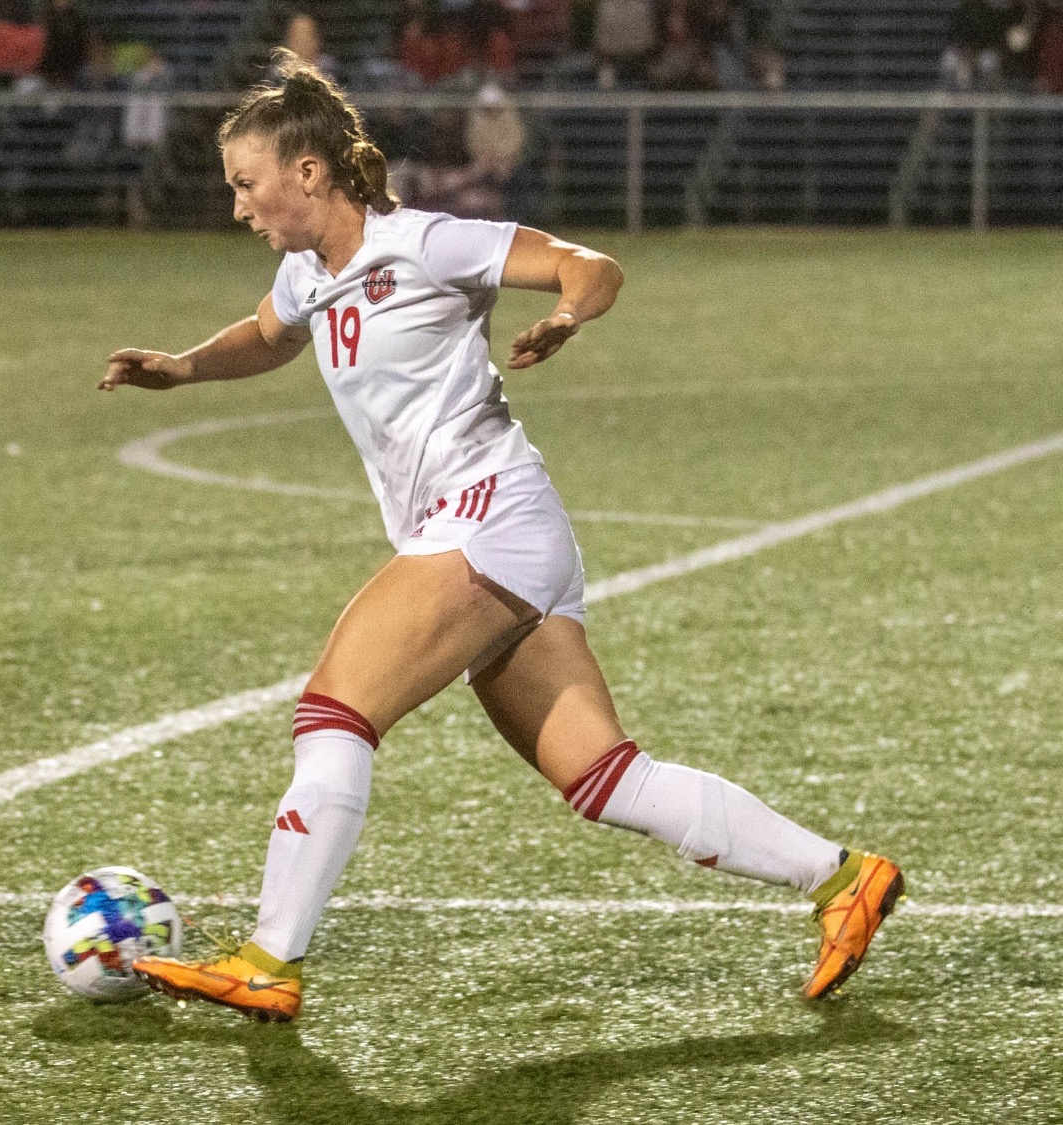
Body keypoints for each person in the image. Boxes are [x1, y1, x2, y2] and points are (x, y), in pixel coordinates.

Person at [100, 53, 903, 1024]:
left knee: (333, 714)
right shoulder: (306, 272)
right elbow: (270, 335)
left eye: (245, 183)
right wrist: (181, 369)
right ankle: (842, 876)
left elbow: (587, 264)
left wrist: (565, 312)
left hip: (483, 519)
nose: (238, 206)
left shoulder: (425, 243)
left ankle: (270, 957)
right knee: (604, 777)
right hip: (511, 538)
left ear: (306, 173)